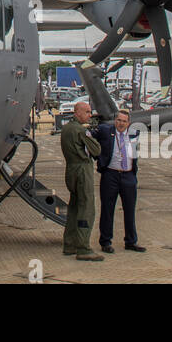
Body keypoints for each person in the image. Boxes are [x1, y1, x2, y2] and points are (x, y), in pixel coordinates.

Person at [90, 109, 145, 253]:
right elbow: (88, 136)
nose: (121, 123)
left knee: (130, 210)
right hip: (110, 175)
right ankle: (105, 241)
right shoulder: (105, 131)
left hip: (128, 176)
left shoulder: (134, 134)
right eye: (119, 120)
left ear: (129, 123)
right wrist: (96, 156)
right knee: (108, 209)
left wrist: (133, 172)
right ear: (115, 121)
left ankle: (131, 241)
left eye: (124, 121)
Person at [60, 101, 104, 261]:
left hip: (70, 169)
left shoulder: (66, 129)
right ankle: (83, 247)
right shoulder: (80, 130)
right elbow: (96, 150)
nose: (89, 115)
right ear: (77, 113)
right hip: (82, 171)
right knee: (87, 208)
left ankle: (69, 244)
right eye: (86, 112)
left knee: (73, 207)